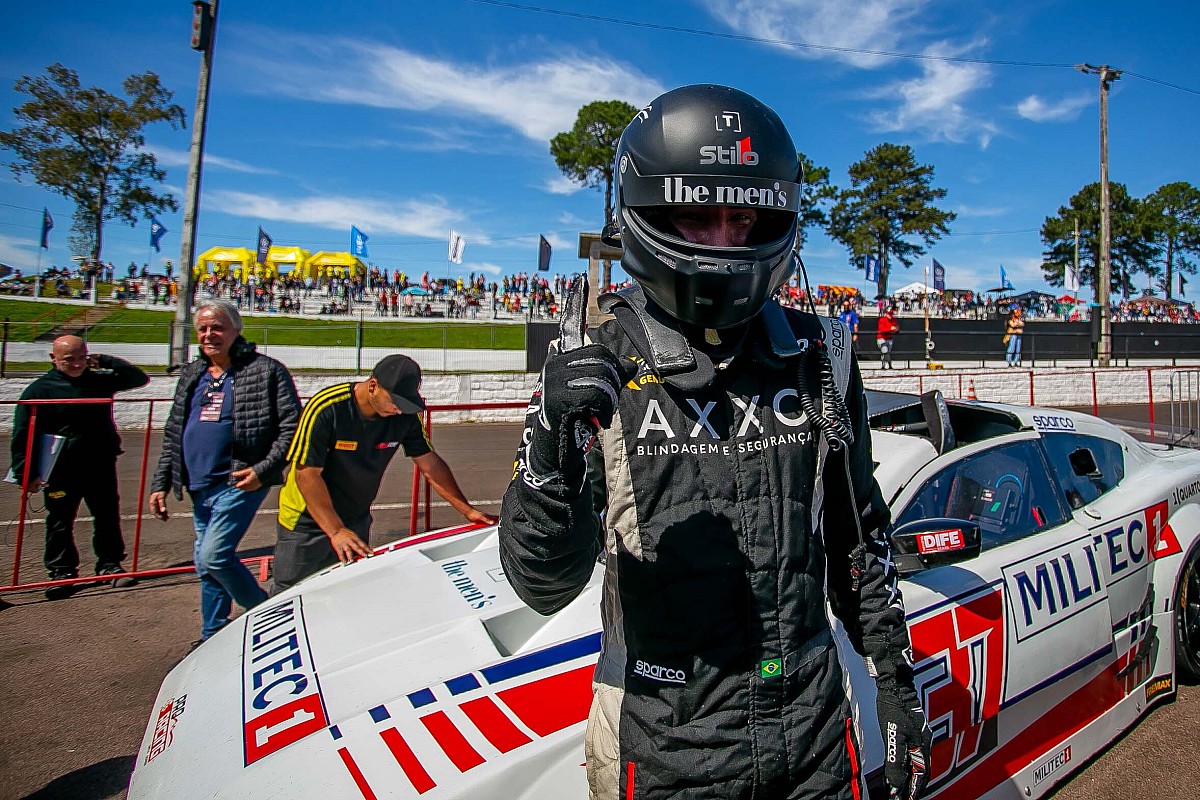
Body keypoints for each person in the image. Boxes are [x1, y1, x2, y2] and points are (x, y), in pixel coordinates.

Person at [499, 85, 930, 800]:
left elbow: (860, 539)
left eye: (745, 218)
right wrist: (548, 449)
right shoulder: (598, 360)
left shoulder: (821, 356)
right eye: (697, 217)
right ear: (644, 214)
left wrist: (895, 681)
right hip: (662, 744)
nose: (726, 241)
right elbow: (541, 584)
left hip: (814, 735)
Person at [271, 354, 498, 593]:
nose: (399, 410)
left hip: (355, 519)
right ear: (373, 386)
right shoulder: (327, 408)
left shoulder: (404, 416)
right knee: (290, 593)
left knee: (344, 593)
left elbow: (430, 464)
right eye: (395, 402)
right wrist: (335, 530)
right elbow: (306, 474)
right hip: (306, 521)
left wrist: (468, 510)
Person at [149, 299, 300, 645]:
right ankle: (212, 633)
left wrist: (264, 469)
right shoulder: (192, 373)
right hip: (198, 482)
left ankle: (266, 612)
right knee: (207, 564)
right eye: (202, 328)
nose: (208, 335)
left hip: (240, 480)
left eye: (217, 327)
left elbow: (291, 426)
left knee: (213, 555)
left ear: (235, 330)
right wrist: (161, 481)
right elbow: (175, 430)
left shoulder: (266, 370)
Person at [10, 336, 149, 599]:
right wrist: (24, 472)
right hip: (60, 469)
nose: (76, 364)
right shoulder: (39, 390)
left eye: (81, 358)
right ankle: (62, 573)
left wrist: (105, 360)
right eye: (68, 360)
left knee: (107, 515)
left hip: (100, 463)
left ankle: (109, 566)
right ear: (54, 360)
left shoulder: (98, 380)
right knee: (60, 522)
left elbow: (138, 378)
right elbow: (22, 434)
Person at [876, 304, 900, 369]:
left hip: (889, 338)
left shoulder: (893, 320)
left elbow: (897, 328)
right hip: (882, 338)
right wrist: (890, 328)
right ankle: (884, 365)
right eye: (889, 314)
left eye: (891, 314)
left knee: (887, 352)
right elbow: (881, 330)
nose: (890, 315)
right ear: (886, 313)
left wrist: (895, 329)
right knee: (885, 351)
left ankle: (888, 365)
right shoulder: (882, 319)